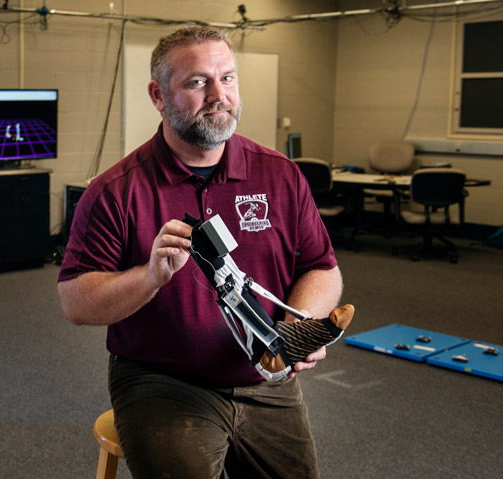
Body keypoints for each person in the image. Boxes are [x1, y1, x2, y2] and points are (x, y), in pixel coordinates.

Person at [57, 26, 343, 479]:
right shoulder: (115, 191)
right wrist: (149, 277)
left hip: (265, 379)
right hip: (162, 382)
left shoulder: (281, 175)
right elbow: (76, 303)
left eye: (227, 78)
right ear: (158, 95)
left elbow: (322, 268)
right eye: (197, 82)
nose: (218, 95)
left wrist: (295, 328)